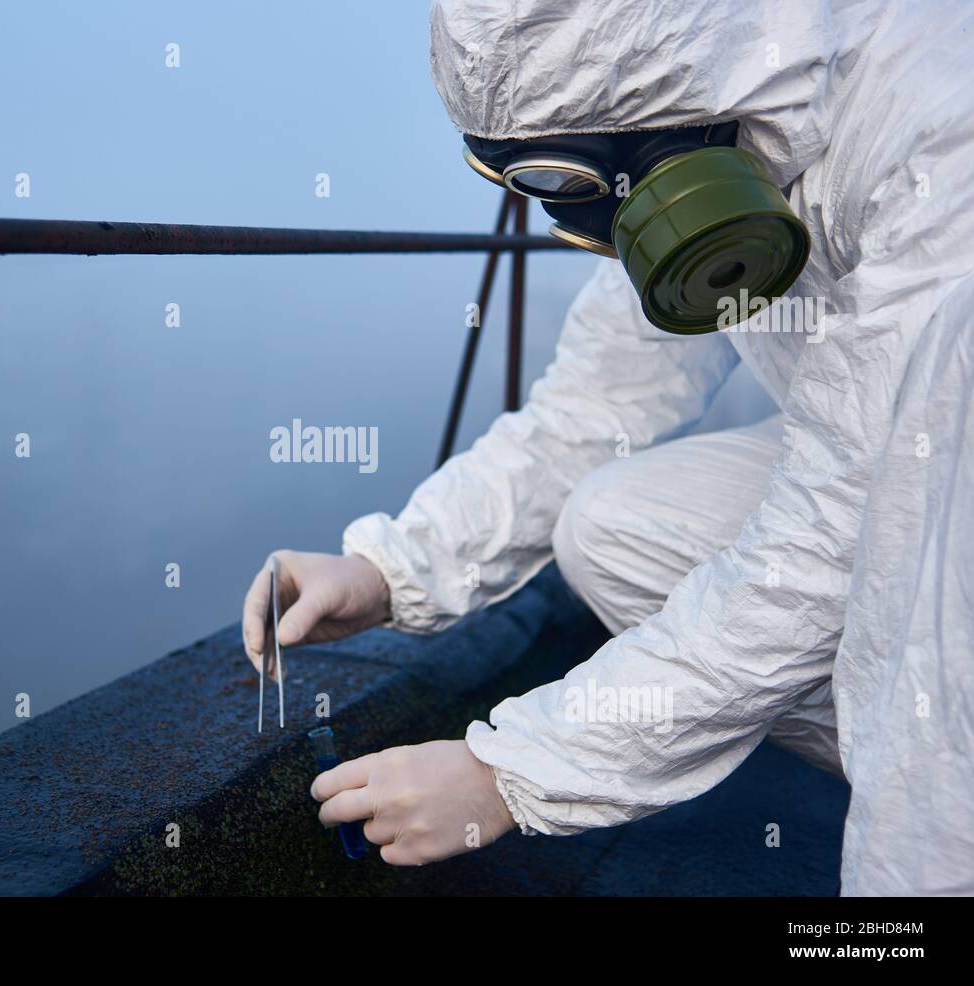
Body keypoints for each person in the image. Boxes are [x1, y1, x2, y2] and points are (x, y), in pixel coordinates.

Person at [242, 0, 974, 895]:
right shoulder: (715, 113)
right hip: (887, 455)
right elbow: (598, 404)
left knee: (930, 643)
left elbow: (839, 534)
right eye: (544, 189)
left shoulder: (940, 127)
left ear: (657, 97)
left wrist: (512, 774)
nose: (586, 222)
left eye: (569, 178)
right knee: (611, 525)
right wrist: (394, 568)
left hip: (945, 482)